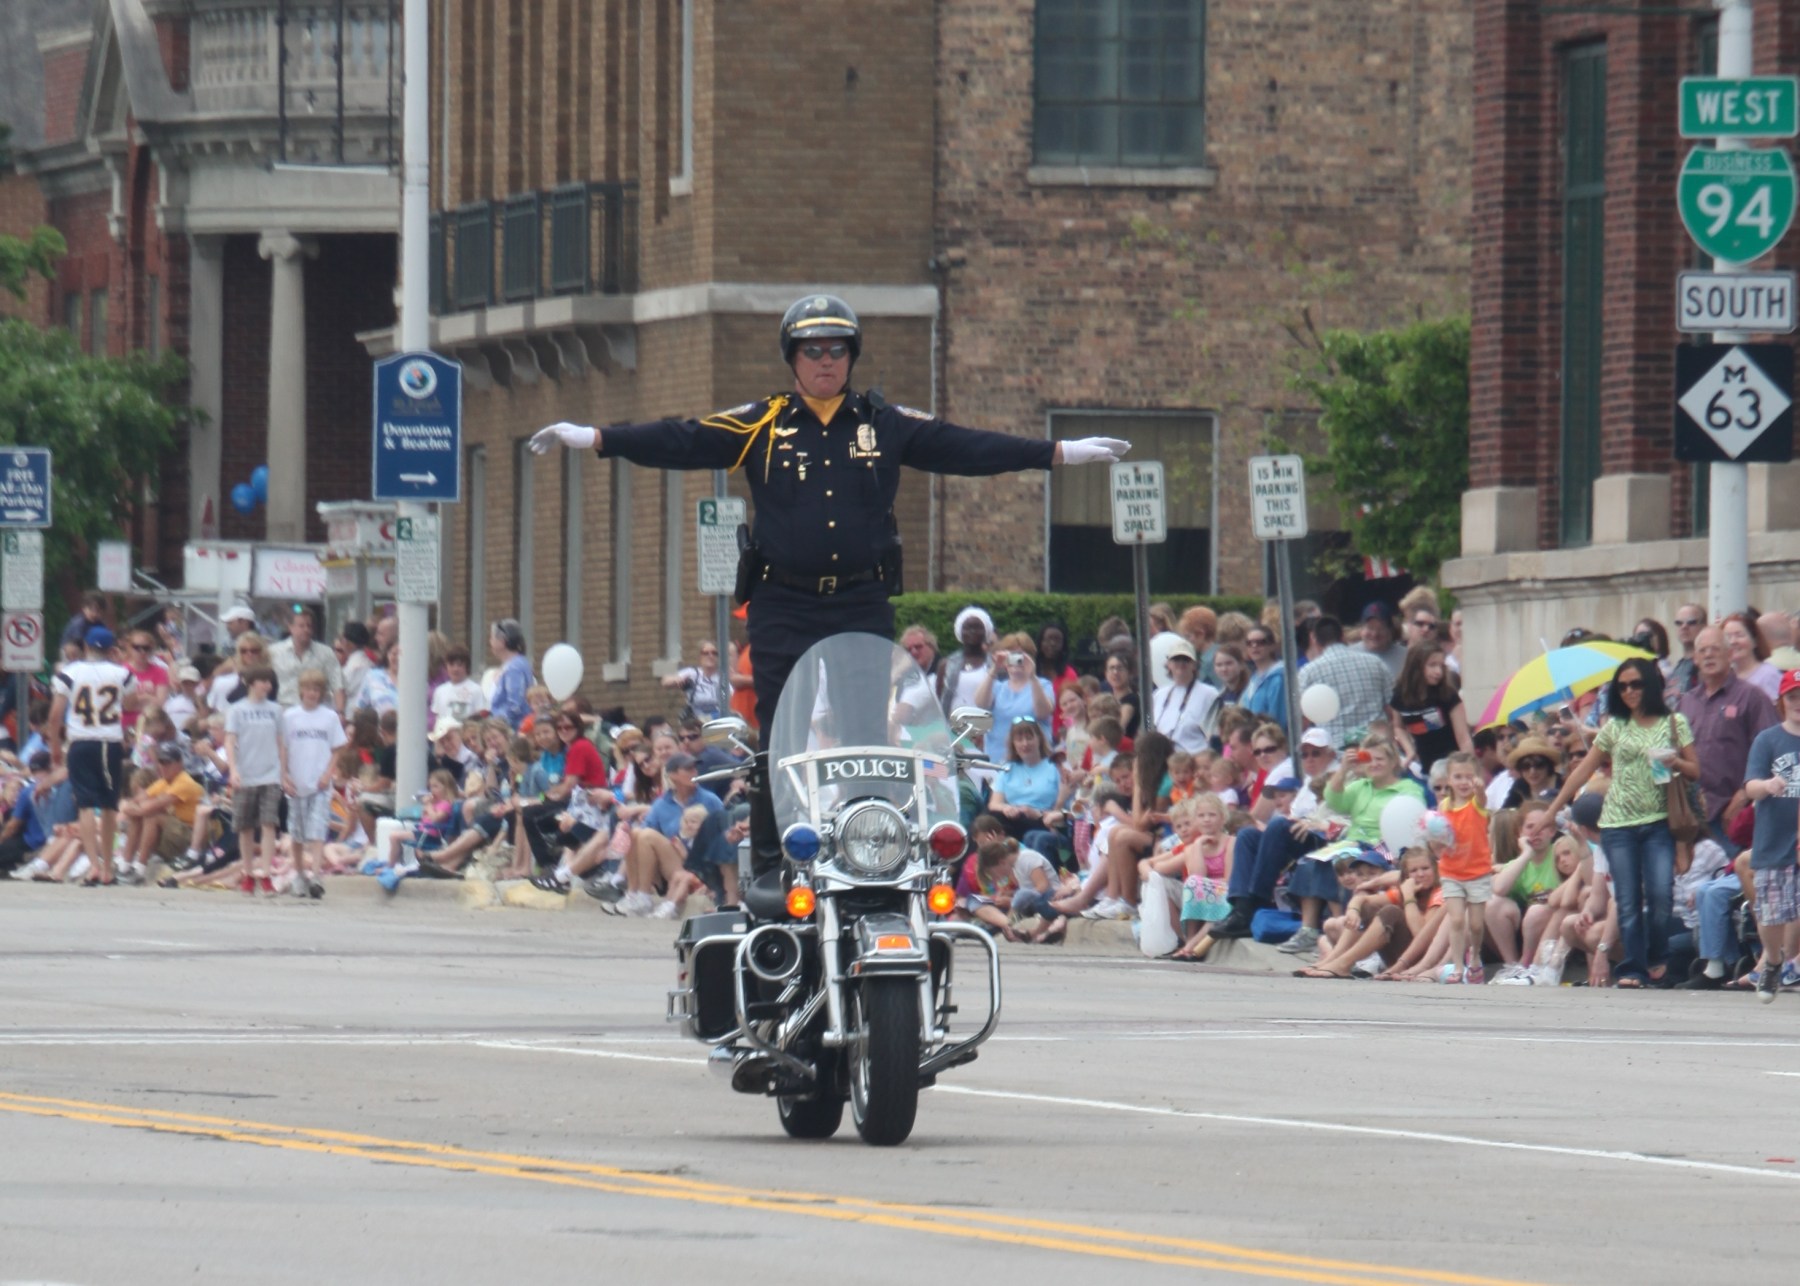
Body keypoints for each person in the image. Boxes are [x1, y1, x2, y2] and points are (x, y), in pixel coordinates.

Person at [528, 293, 1127, 873]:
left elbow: (966, 447)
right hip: (783, 601)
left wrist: (1060, 452)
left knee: (865, 734)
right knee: (781, 734)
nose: (825, 361)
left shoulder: (883, 423)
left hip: (860, 599)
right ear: (793, 358)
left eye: (837, 350)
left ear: (851, 357)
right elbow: (683, 438)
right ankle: (771, 861)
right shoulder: (764, 422)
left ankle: (871, 855)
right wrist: (596, 438)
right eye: (812, 350)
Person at [1548, 658, 1700, 988]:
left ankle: (1656, 954)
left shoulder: (1673, 722)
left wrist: (1673, 760)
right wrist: (1552, 810)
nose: (1629, 691)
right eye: (1623, 686)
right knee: (1628, 897)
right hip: (1618, 822)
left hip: (1658, 819)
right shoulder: (1615, 727)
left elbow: (1695, 770)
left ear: (1651, 685)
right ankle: (1632, 968)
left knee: (1660, 894)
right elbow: (1583, 770)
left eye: (1636, 684)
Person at [48, 626, 142, 886]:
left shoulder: (70, 672)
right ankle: (108, 867)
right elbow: (130, 704)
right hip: (109, 741)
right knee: (110, 804)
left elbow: (55, 716)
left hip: (81, 741)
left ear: (86, 647)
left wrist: (55, 745)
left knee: (85, 804)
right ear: (112, 649)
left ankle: (93, 866)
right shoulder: (122, 673)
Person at [1675, 625, 1775, 844]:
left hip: (1731, 816)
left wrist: (1743, 796)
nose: (1708, 655)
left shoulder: (1752, 697)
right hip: (1691, 817)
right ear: (1695, 659)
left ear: (1730, 654)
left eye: (1715, 649)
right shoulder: (1686, 702)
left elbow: (1772, 752)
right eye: (1702, 651)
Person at [1741, 670, 1800, 1002]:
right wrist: (1767, 785)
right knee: (1771, 914)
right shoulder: (1768, 740)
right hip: (1774, 839)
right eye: (1793, 697)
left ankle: (1793, 963)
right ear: (1782, 701)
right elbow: (1750, 785)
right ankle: (1774, 961)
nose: (1798, 703)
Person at [281, 668, 346, 899]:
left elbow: (337, 748)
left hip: (320, 783)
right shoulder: (290, 717)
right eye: (308, 689)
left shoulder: (329, 717)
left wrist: (328, 773)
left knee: (318, 830)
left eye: (317, 689)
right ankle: (299, 874)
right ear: (301, 690)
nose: (312, 693)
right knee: (297, 834)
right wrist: (284, 775)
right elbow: (283, 748)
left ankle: (316, 876)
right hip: (297, 783)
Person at [226, 663, 286, 895]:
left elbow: (281, 743)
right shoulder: (237, 710)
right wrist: (233, 769)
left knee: (269, 823)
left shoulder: (276, 710)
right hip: (246, 773)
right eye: (263, 681)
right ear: (251, 683)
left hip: (270, 774)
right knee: (245, 826)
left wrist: (283, 772)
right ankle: (248, 873)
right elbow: (230, 741)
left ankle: (266, 874)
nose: (267, 686)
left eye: (270, 682)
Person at [1433, 754, 1493, 983]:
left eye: (1469, 777)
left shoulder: (1477, 802)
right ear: (1449, 779)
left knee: (1476, 924)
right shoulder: (1444, 805)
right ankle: (1457, 966)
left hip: (1477, 871)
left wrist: (1480, 789)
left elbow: (1482, 799)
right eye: (1458, 777)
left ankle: (1475, 955)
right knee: (1457, 919)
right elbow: (1439, 836)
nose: (1464, 782)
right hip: (1451, 871)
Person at [1297, 615, 1392, 748]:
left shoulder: (1308, 672)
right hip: (1376, 745)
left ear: (1315, 641)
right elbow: (1392, 706)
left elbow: (1302, 718)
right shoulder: (1375, 662)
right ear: (1342, 636)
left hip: (1336, 749)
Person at [119, 743, 204, 883]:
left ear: (179, 763)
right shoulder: (164, 782)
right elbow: (134, 802)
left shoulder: (184, 782)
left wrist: (135, 807)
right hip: (174, 833)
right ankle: (124, 867)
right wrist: (134, 807)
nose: (163, 766)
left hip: (191, 835)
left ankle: (139, 870)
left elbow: (146, 808)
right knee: (137, 816)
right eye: (161, 762)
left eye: (167, 762)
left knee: (152, 816)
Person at [1150, 639, 1217, 754]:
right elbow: (1149, 724)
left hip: (1194, 757)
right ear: (1168, 664)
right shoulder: (1159, 695)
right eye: (1176, 659)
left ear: (1194, 665)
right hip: (1162, 757)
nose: (1181, 663)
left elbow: (1215, 734)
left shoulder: (1209, 694)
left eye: (1186, 659)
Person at [270, 606, 344, 709]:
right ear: (291, 627)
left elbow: (337, 684)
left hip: (318, 708)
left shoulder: (326, 653)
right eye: (301, 626)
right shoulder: (274, 652)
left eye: (309, 626)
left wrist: (340, 711)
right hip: (285, 707)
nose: (306, 629)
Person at [1722, 611, 1782, 704]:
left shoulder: (1768, 675)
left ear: (1754, 640)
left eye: (1739, 635)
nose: (1733, 641)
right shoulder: (1724, 676)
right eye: (1728, 637)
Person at [487, 619, 535, 729]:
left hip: (511, 729)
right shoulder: (515, 664)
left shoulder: (514, 668)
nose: (490, 642)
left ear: (502, 641)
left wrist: (498, 724)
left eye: (492, 638)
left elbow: (515, 706)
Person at [662, 640, 725, 720]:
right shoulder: (693, 673)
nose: (710, 656)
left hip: (717, 719)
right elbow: (665, 681)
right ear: (699, 656)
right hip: (696, 719)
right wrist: (677, 680)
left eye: (714, 653)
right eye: (706, 653)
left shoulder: (722, 678)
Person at [1358, 602, 1407, 681]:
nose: (1375, 634)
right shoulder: (1349, 654)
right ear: (1361, 629)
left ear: (1390, 630)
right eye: (1370, 628)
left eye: (1381, 628)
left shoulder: (1405, 657)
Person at [1667, 603, 1706, 695]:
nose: (1684, 627)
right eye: (1679, 623)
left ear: (1704, 626)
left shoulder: (1707, 664)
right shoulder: (1677, 667)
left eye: (1691, 622)